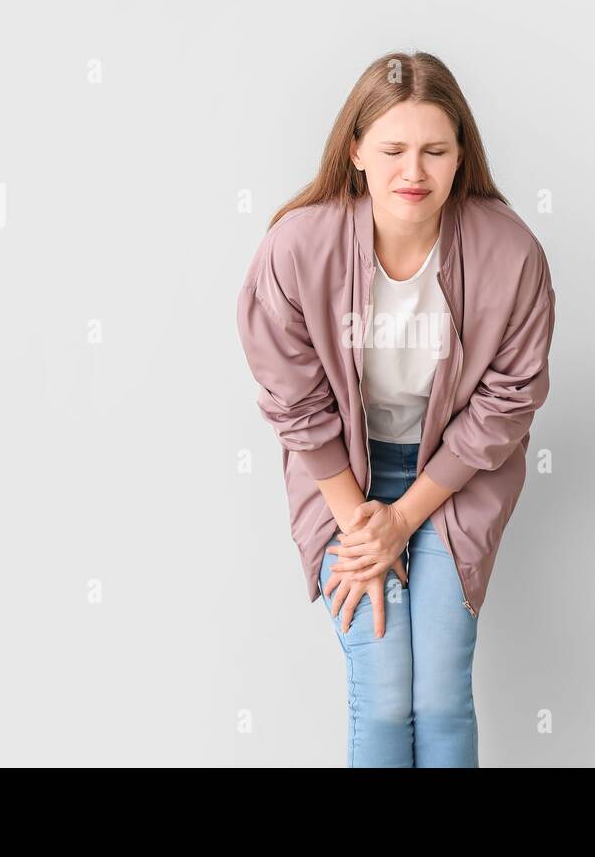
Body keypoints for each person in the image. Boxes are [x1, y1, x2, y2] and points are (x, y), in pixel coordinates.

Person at [235, 50, 557, 767]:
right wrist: (362, 524)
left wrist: (404, 517)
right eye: (393, 150)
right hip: (340, 482)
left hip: (455, 485)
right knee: (383, 697)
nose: (414, 172)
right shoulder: (296, 249)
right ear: (355, 151)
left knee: (440, 695)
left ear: (460, 155)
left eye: (435, 151)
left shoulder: (511, 253)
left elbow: (507, 405)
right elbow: (296, 402)